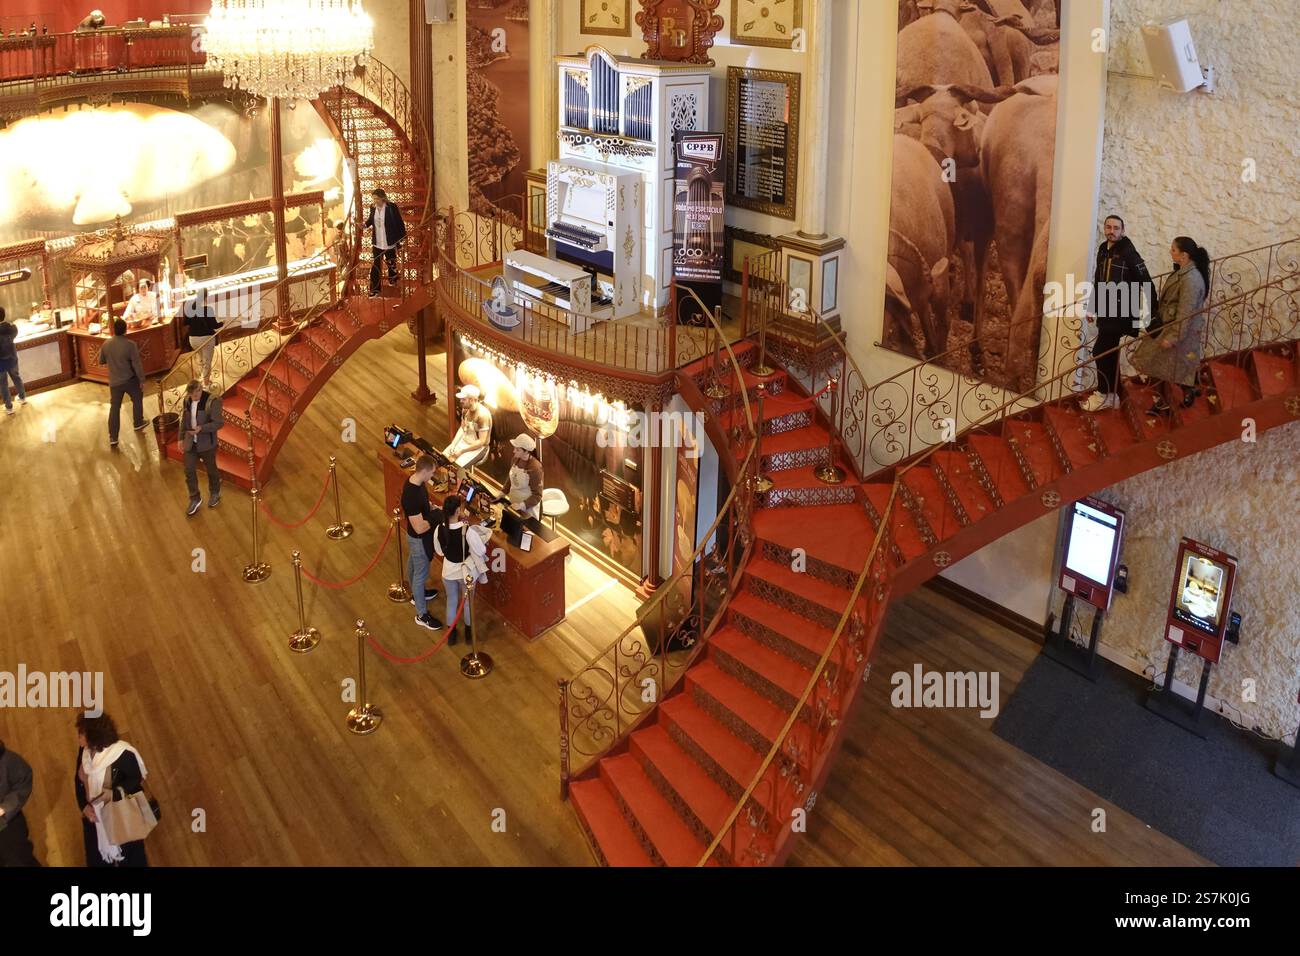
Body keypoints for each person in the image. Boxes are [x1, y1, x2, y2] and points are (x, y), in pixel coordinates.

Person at [1081, 215, 1157, 411]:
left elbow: (1147, 282)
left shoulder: (1129, 253)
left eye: (1116, 228)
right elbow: (1098, 280)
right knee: (1110, 353)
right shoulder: (1103, 250)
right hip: (1106, 310)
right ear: (1104, 229)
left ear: (1122, 231)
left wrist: (1152, 314)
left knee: (1100, 351)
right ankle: (1112, 395)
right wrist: (1092, 306)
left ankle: (1103, 394)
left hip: (1121, 312)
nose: (1111, 231)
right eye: (1108, 227)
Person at [1133, 236, 1211, 416]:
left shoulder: (1191, 279)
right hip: (1170, 325)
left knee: (1153, 362)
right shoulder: (1183, 272)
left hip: (1178, 330)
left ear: (1184, 255)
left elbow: (1185, 312)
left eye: (1173, 250)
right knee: (1170, 364)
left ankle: (1164, 402)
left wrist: (1173, 337)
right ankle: (1186, 390)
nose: (1170, 252)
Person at [75, 713, 149, 867]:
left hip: (123, 816)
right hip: (96, 819)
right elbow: (78, 780)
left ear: (93, 737)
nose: (79, 739)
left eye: (81, 735)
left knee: (132, 858)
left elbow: (136, 779)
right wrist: (84, 805)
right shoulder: (85, 753)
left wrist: (113, 794)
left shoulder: (122, 755)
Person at [434, 493, 489, 648]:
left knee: (451, 601)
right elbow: (481, 549)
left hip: (448, 572)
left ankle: (451, 635)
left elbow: (439, 551)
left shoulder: (439, 529)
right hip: (466, 574)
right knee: (467, 603)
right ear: (458, 511)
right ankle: (468, 633)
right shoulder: (467, 531)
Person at [401, 455, 444, 632]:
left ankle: (416, 595)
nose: (433, 476)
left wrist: (433, 509)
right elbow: (419, 528)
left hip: (416, 540)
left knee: (413, 565)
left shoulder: (416, 483)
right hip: (419, 539)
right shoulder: (411, 495)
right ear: (425, 470)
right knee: (421, 574)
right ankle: (421, 614)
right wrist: (436, 516)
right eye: (432, 472)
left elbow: (424, 505)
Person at [98, 318, 147, 446]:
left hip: (114, 382)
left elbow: (101, 361)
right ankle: (138, 422)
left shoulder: (106, 344)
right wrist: (142, 379)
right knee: (137, 399)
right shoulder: (130, 344)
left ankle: (113, 437)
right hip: (130, 380)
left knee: (115, 407)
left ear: (113, 330)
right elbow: (137, 364)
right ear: (125, 329)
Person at [179, 378, 224, 515]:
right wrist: (181, 438)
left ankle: (215, 492)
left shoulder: (212, 401)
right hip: (190, 442)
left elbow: (219, 423)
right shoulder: (187, 400)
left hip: (207, 443)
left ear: (200, 389)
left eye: (196, 395)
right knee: (189, 471)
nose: (193, 398)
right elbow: (184, 420)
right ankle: (195, 498)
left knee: (211, 469)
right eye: (191, 395)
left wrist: (201, 428)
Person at [0, 739, 40, 866]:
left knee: (20, 861)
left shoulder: (7, 760)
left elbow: (24, 780)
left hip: (7, 825)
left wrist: (4, 808)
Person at [443, 384, 492, 483]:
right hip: (464, 441)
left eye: (463, 399)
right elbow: (462, 428)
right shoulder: (465, 409)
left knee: (456, 467)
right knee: (443, 458)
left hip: (478, 448)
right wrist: (453, 444)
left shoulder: (482, 415)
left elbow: (482, 441)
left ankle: (459, 489)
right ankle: (447, 484)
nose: (460, 401)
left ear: (472, 399)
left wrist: (461, 451)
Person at [365, 188, 406, 297]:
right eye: (373, 199)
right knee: (376, 266)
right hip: (377, 242)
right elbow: (370, 220)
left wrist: (402, 237)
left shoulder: (391, 207)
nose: (375, 201)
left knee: (391, 262)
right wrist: (364, 225)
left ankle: (392, 279)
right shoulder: (372, 208)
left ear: (383, 198)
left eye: (377, 199)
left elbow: (399, 222)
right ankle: (375, 290)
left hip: (389, 240)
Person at [183, 288, 220, 388]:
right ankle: (206, 385)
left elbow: (185, 323)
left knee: (200, 359)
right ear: (206, 297)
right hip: (206, 339)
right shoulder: (208, 309)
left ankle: (203, 379)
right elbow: (215, 325)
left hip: (193, 340)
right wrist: (223, 322)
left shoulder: (190, 308)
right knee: (207, 361)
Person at [506, 433, 544, 519]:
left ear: (526, 451)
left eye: (517, 449)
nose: (514, 451)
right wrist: (502, 492)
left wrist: (521, 505)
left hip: (528, 510)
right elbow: (511, 478)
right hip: (513, 502)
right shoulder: (515, 459)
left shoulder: (535, 467)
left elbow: (537, 495)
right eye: (515, 448)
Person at [0, 308, 28, 416]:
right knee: (16, 376)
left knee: (3, 384)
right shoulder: (12, 327)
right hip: (12, 357)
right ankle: (22, 397)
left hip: (0, 361)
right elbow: (14, 335)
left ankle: (9, 407)